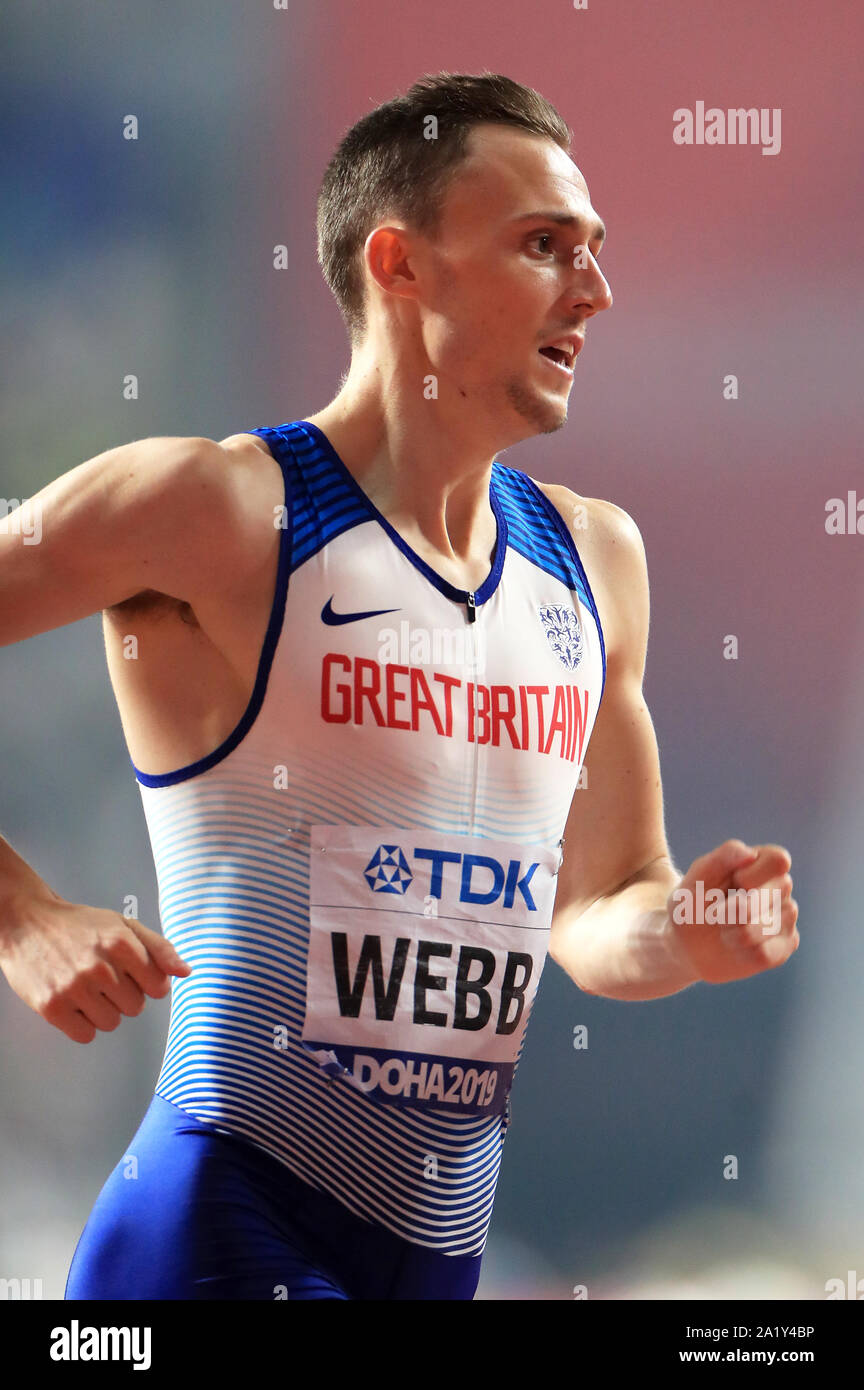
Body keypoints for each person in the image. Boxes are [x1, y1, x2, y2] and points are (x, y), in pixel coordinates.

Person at [0, 71, 798, 1301]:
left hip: (431, 1264)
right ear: (400, 265)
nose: (596, 291)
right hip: (215, 1238)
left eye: (594, 252)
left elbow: (598, 914)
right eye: (545, 247)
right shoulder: (213, 511)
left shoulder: (596, 563)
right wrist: (24, 916)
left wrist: (685, 929)